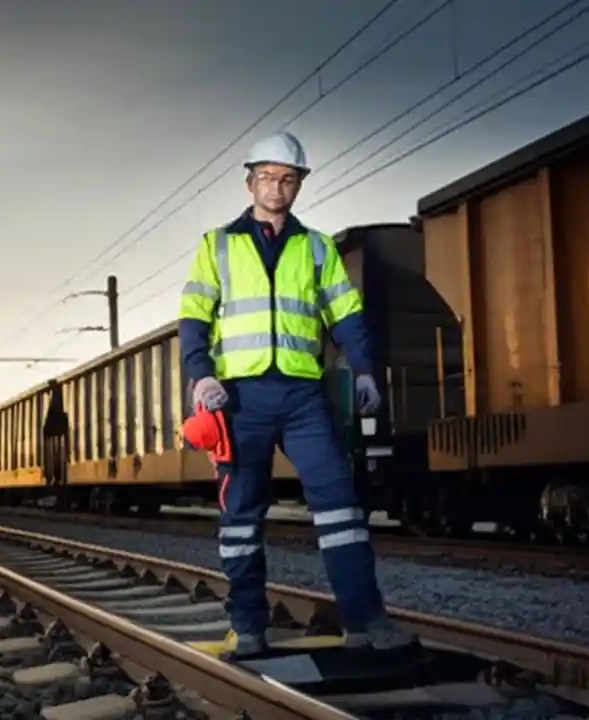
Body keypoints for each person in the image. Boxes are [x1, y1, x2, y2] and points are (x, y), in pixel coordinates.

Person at [178, 131, 416, 659]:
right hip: (238, 400)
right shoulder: (216, 245)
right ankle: (248, 627)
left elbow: (347, 316)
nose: (276, 186)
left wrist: (365, 371)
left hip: (304, 397)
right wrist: (201, 376)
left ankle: (366, 622)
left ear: (299, 185)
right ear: (250, 181)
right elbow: (194, 319)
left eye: (287, 178)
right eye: (266, 176)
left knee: (340, 508)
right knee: (241, 517)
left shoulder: (317, 247)